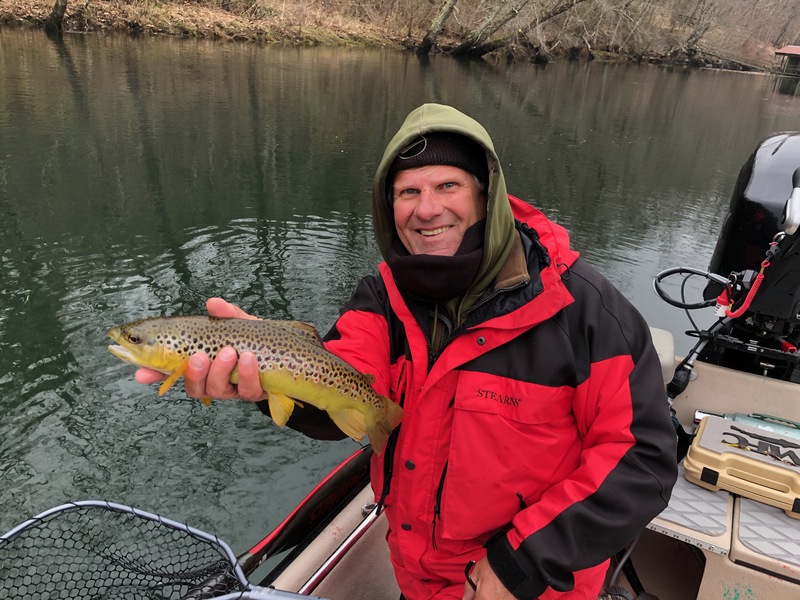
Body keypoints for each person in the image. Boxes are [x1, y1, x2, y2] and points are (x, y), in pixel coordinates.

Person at [137, 103, 678, 599]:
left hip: (528, 586)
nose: (427, 209)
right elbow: (344, 390)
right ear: (387, 206)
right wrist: (262, 370)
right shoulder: (380, 295)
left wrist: (524, 562)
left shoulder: (585, 311)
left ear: (486, 195)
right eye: (407, 192)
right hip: (417, 579)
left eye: (448, 185)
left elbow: (644, 461)